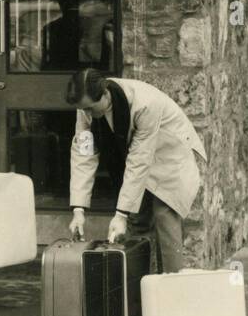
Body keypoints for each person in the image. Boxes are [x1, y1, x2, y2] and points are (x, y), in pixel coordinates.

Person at [66, 69, 207, 273]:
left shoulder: (146, 104)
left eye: (90, 108)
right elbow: (83, 154)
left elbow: (139, 160)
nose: (87, 114)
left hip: (170, 159)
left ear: (105, 94)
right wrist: (78, 210)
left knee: (164, 218)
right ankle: (136, 290)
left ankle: (172, 290)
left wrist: (121, 214)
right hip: (137, 157)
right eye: (83, 110)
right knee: (137, 223)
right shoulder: (85, 108)